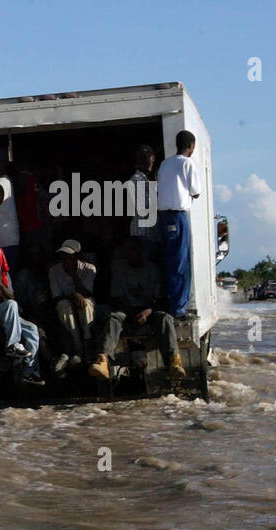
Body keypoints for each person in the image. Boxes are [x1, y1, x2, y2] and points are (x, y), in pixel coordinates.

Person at [88, 238, 186, 382]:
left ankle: (174, 362)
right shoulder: (118, 268)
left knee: (165, 318)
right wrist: (129, 311)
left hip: (148, 311)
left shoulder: (153, 270)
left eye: (134, 249)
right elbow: (116, 298)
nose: (131, 253)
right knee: (114, 318)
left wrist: (147, 312)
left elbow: (160, 300)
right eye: (128, 250)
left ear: (141, 252)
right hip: (126, 310)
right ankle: (103, 360)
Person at [0, 246, 42, 385]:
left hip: (5, 316)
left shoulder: (4, 276)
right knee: (11, 305)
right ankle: (12, 345)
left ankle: (30, 371)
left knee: (32, 329)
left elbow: (11, 296)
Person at [156, 130, 201, 318]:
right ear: (191, 146)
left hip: (163, 217)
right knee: (181, 263)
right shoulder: (187, 163)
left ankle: (170, 302)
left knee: (169, 260)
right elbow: (196, 191)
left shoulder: (165, 164)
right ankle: (179, 309)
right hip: (178, 216)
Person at [47, 240, 97, 373]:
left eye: (69, 257)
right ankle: (78, 347)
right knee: (64, 306)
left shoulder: (89, 268)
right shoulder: (54, 271)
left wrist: (74, 275)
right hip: (67, 302)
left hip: (84, 301)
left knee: (85, 304)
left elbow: (88, 292)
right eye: (64, 256)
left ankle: (88, 344)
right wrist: (74, 295)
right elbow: (57, 297)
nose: (66, 260)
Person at [129, 144, 161, 263]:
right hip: (142, 234)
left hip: (153, 234)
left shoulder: (149, 178)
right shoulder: (136, 179)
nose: (148, 161)